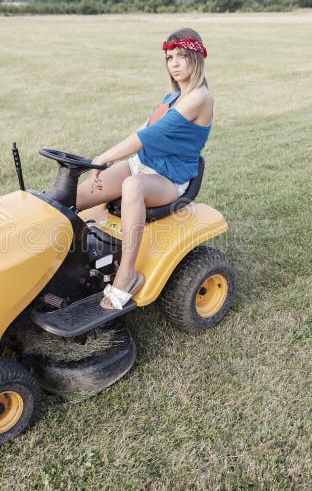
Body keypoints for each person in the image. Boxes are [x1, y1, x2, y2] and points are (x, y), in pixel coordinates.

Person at [75, 28, 213, 310]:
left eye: (181, 56)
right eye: (169, 57)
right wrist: (107, 160)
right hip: (141, 165)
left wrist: (104, 157)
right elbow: (142, 129)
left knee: (133, 186)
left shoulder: (200, 98)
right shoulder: (171, 97)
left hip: (168, 178)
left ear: (196, 58)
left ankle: (127, 275)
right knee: (74, 197)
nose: (174, 63)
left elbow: (149, 137)